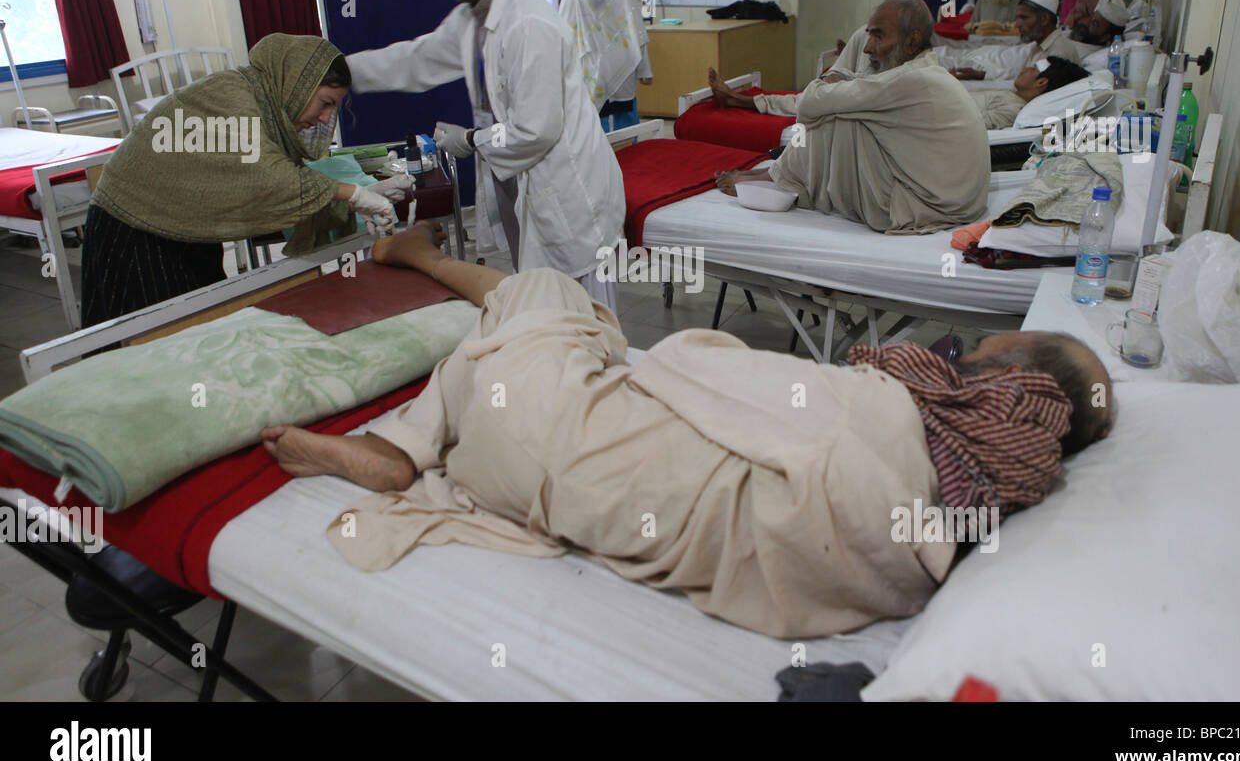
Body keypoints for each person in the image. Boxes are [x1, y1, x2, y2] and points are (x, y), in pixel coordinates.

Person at [261, 221, 1113, 638]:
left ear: (1002, 380)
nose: (958, 352)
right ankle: (417, 433)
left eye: (983, 351)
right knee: (539, 345)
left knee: (548, 296)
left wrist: (646, 363)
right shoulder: (949, 516)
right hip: (552, 494)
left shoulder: (886, 409)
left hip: (548, 441)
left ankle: (409, 332)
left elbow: (685, 363)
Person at [345, 0, 625, 313]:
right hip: (528, 179)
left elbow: (536, 131)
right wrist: (343, 71)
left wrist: (471, 139)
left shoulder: (528, 24)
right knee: (542, 305)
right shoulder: (474, 18)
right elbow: (417, 60)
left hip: (570, 191)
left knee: (584, 314)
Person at [81, 33, 406, 328]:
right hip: (134, 232)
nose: (325, 119)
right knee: (150, 344)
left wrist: (354, 200)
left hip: (186, 230)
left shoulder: (265, 108)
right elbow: (271, 180)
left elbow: (269, 193)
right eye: (325, 103)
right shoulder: (234, 98)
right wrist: (354, 194)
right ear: (298, 84)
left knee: (200, 330)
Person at [709, 0, 989, 234]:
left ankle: (774, 178)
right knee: (840, 107)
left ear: (913, 41)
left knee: (835, 116)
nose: (867, 47)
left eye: (878, 36)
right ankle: (773, 174)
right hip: (956, 200)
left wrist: (835, 79)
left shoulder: (907, 80)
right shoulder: (922, 72)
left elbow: (808, 104)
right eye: (869, 35)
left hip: (926, 206)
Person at [558, 0, 653, 132]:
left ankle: (601, 160)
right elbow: (638, 34)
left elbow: (562, 31)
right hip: (622, 66)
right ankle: (631, 156)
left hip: (588, 68)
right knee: (625, 118)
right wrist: (645, 70)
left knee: (594, 122)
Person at [971, 57, 1091, 129]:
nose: (1025, 69)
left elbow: (973, 123)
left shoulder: (1012, 109)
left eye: (1033, 69)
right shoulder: (1011, 97)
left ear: (1041, 82)